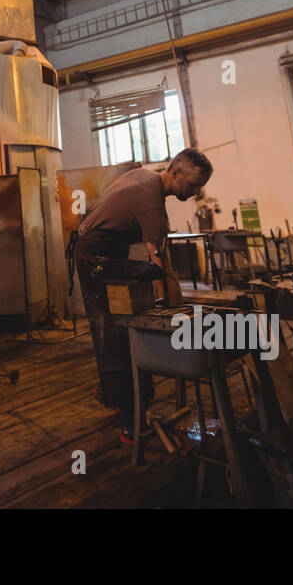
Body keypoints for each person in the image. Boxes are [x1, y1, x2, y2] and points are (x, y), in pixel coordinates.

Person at [74, 148, 213, 443]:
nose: (197, 191)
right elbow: (164, 269)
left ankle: (109, 389)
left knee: (112, 326)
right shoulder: (151, 205)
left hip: (99, 254)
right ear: (175, 173)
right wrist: (178, 314)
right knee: (117, 332)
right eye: (193, 184)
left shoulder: (145, 178)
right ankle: (131, 422)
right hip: (96, 260)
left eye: (201, 185)